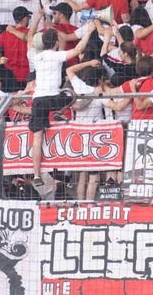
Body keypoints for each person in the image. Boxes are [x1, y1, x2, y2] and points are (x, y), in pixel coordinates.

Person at [27, 21, 97, 197]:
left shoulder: (36, 56)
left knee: (37, 138)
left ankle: (36, 175)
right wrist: (88, 31)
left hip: (38, 100)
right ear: (56, 42)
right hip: (54, 98)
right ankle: (60, 111)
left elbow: (29, 41)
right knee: (70, 93)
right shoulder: (56, 56)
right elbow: (77, 50)